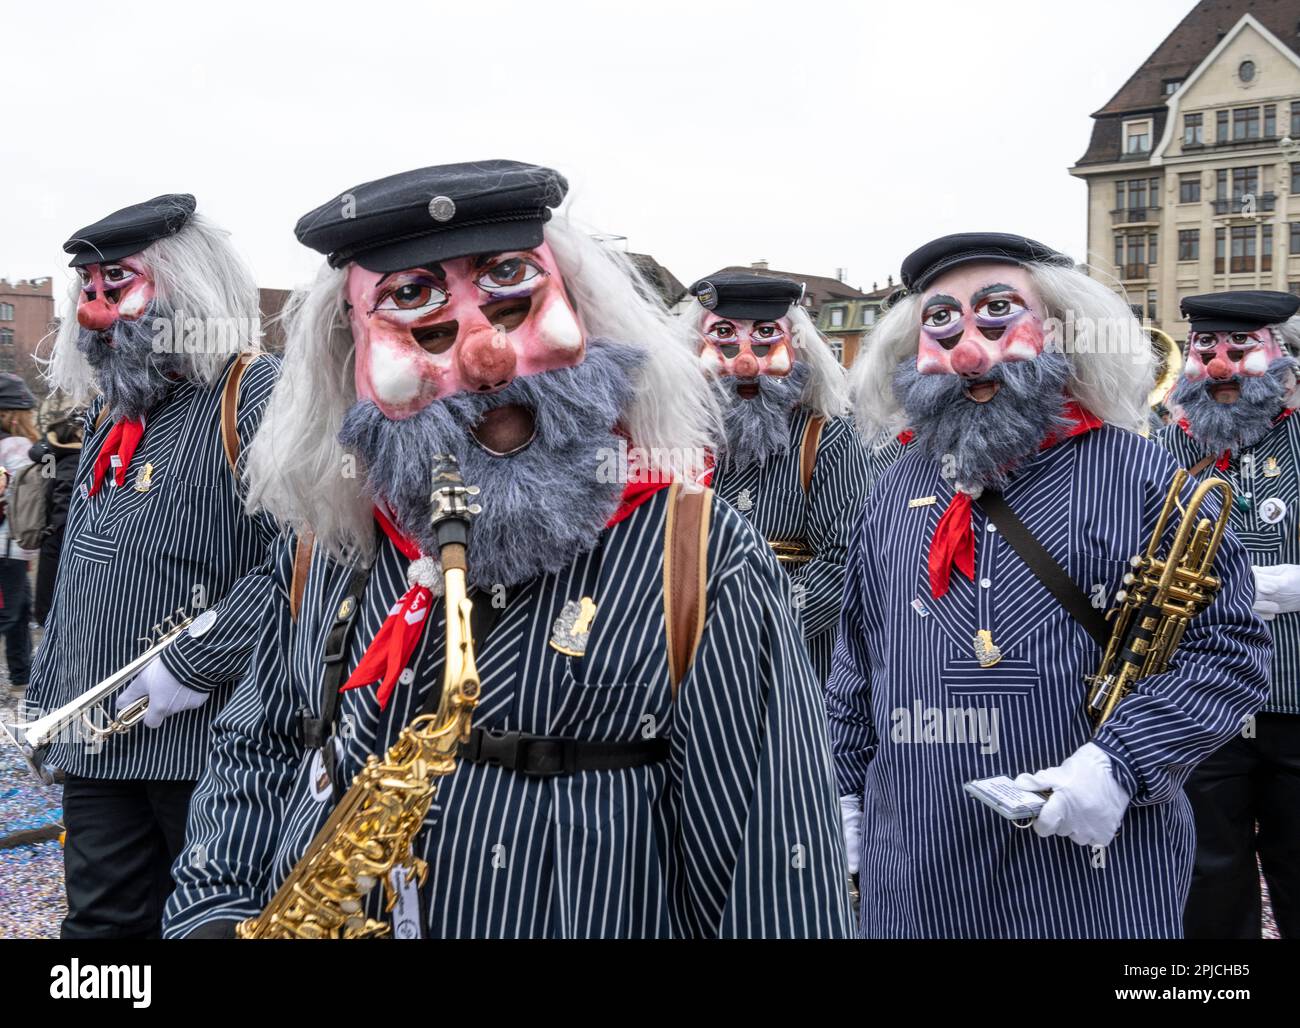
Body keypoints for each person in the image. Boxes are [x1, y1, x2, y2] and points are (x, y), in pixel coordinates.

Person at [164, 160, 852, 939]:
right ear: (348, 362)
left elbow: (771, 862)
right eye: (417, 314)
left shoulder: (698, 554)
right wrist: (212, 911)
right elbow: (256, 749)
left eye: (513, 294)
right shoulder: (336, 542)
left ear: (587, 314)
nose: (485, 359)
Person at [830, 232, 1271, 938]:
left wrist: (1119, 765)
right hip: (912, 868)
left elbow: (1228, 650)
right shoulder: (893, 486)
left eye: (998, 313)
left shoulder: (1137, 472)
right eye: (941, 322)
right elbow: (857, 662)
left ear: (1060, 331)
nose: (969, 351)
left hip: (1087, 872)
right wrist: (843, 792)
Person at [28, 193, 282, 938]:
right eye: (91, 291)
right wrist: (49, 695)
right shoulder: (113, 414)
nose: (99, 312)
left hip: (210, 749)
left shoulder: (254, 394)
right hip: (98, 748)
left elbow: (303, 559)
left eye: (122, 287)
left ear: (188, 287)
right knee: (99, 931)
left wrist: (197, 663)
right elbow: (80, 569)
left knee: (204, 924)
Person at [1157, 290, 1300, 938]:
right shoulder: (1168, 445)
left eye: (1239, 352)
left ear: (1276, 358)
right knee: (1208, 876)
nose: (1219, 368)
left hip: (1296, 695)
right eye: (1205, 351)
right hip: (1203, 697)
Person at [684, 273, 868, 683]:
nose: (746, 363)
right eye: (724, 336)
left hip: (791, 663)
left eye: (767, 335)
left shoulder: (827, 435)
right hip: (687, 659)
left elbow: (845, 559)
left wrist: (754, 631)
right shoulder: (677, 436)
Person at [27, 391, 85, 625]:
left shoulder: (54, 454)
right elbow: (64, 501)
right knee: (54, 607)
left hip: (50, 534)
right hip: (59, 539)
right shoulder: (73, 458)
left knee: (46, 602)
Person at [0, 374, 39, 697]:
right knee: (13, 613)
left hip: (12, 547)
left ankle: (21, 677)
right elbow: (22, 496)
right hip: (8, 546)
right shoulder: (17, 445)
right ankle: (20, 678)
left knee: (18, 610)